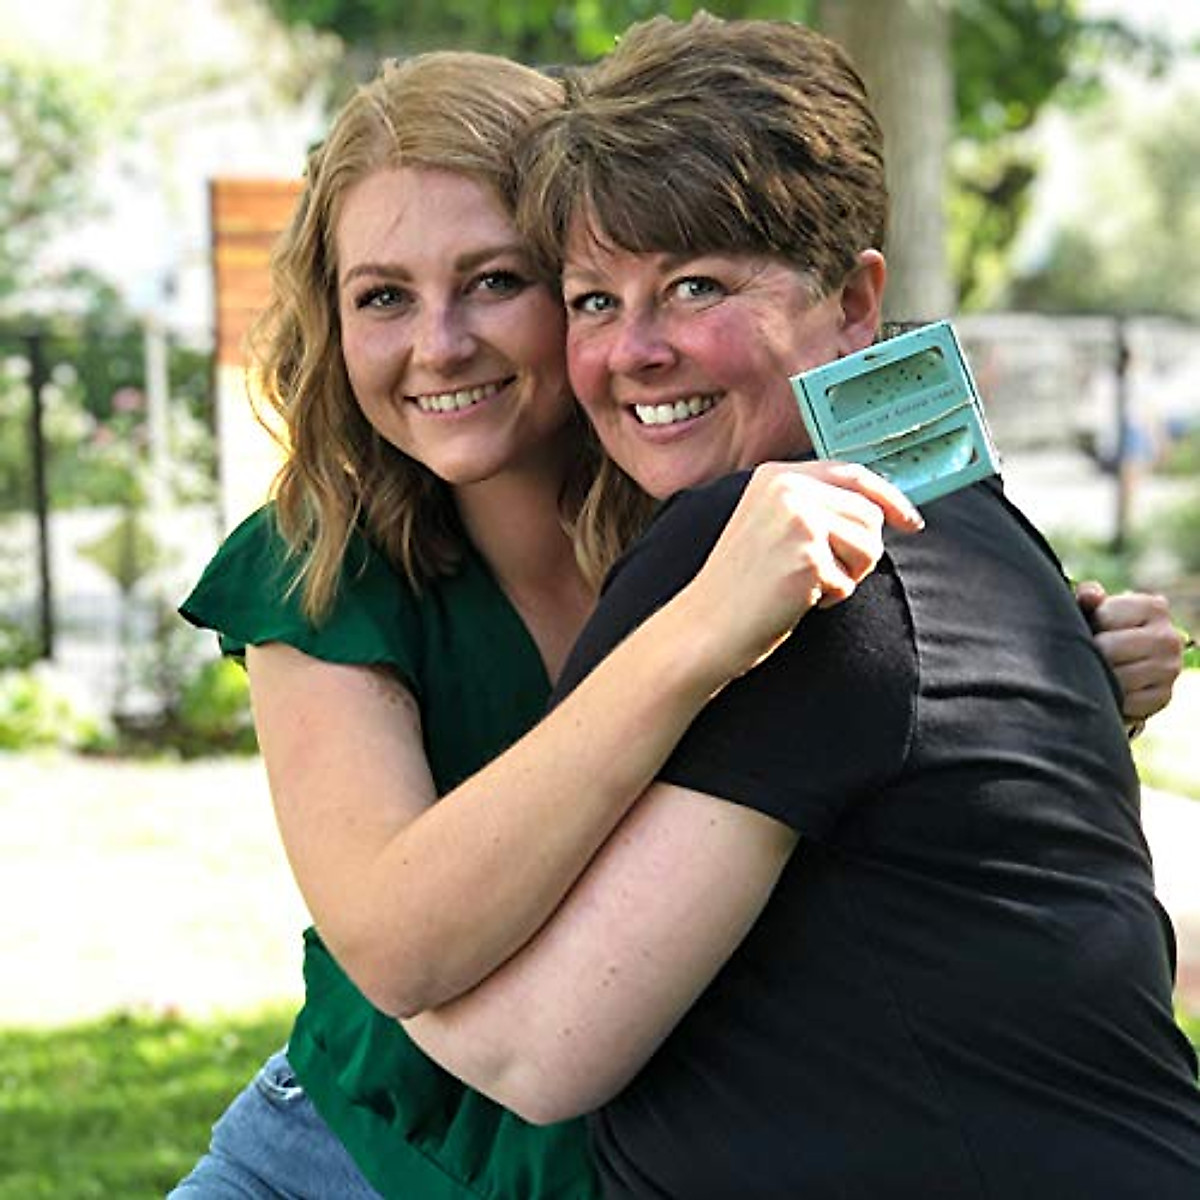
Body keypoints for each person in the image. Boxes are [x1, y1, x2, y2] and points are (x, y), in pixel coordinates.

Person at [174, 35, 1187, 1200]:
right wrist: (697, 636)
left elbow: (908, 679)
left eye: (500, 281)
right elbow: (403, 952)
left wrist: (1048, 666)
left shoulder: (707, 500)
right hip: (359, 1151)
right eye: (383, 297)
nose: (440, 342)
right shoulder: (326, 570)